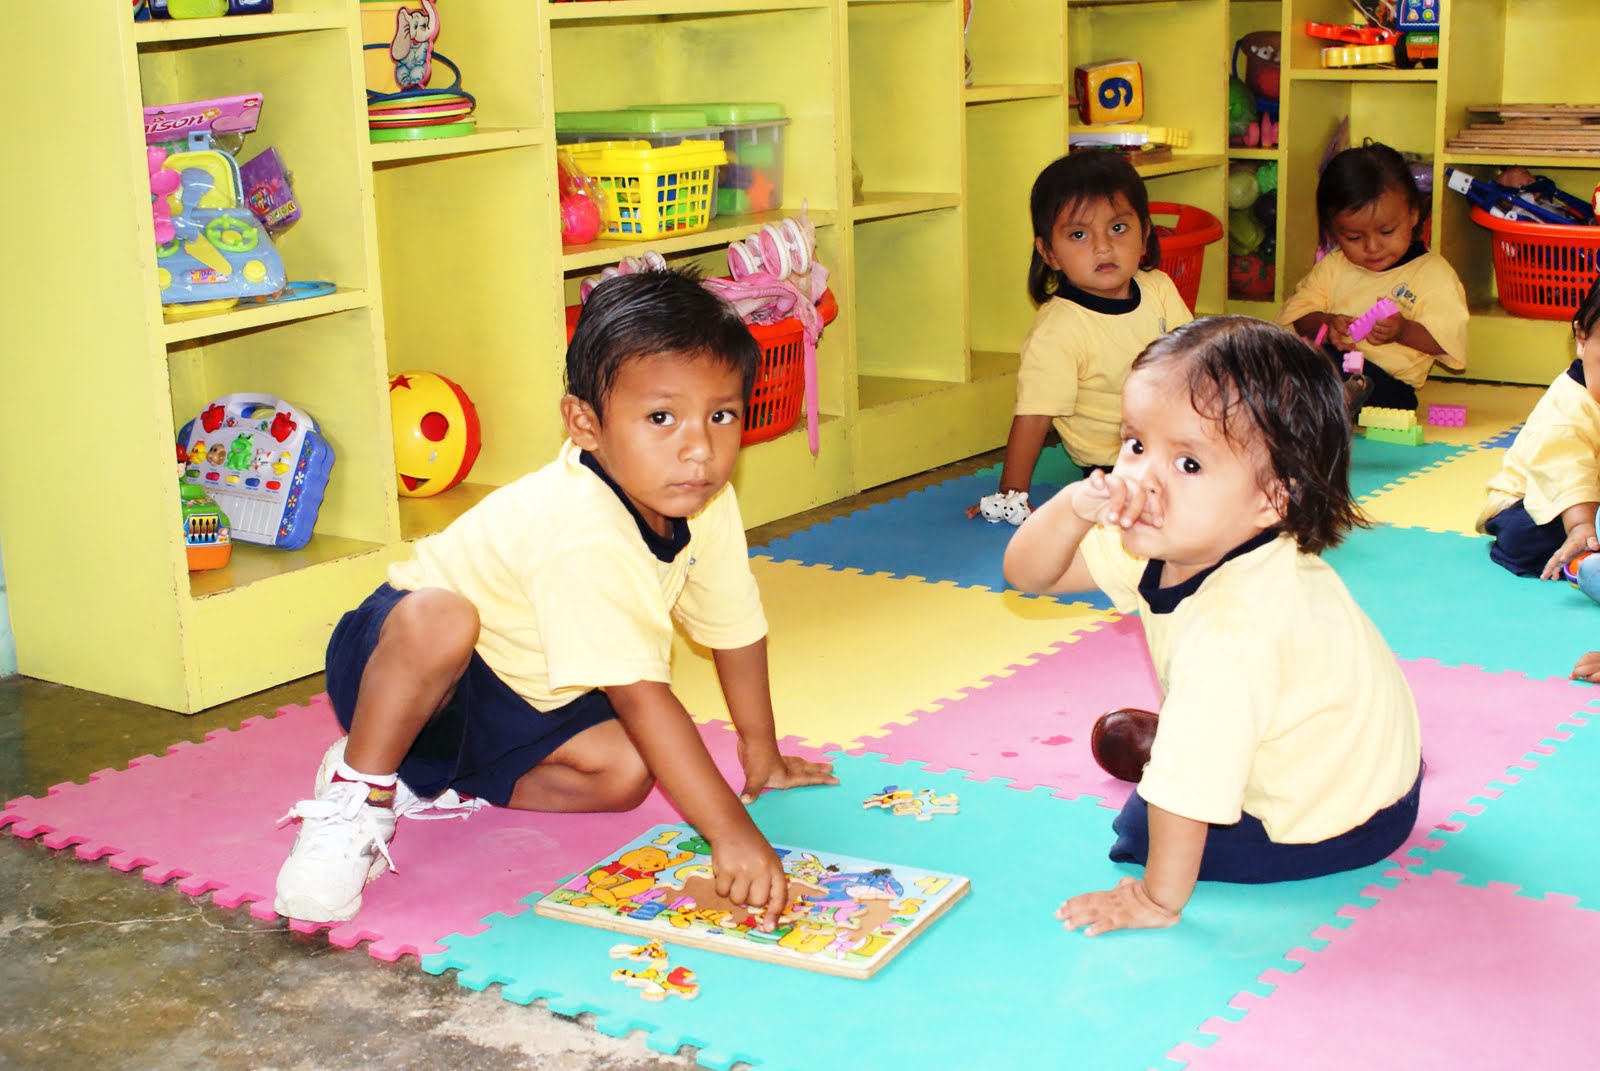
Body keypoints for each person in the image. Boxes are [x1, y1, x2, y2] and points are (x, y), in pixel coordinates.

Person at [273, 269, 837, 925]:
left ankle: (419, 779)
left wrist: (760, 755)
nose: (699, 448)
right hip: (404, 662)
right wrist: (731, 832)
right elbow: (641, 693)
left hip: (526, 697)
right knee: (441, 617)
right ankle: (359, 786)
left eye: (721, 415)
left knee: (628, 773)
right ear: (585, 423)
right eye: (661, 417)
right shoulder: (581, 527)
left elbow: (734, 625)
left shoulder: (703, 496)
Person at [1002, 317, 1421, 936]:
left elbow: (1185, 801)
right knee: (1195, 744)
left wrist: (1156, 898)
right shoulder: (1178, 535)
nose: (1143, 477)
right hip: (1362, 763)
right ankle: (1197, 739)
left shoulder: (1237, 627)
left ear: (1272, 497)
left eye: (1189, 463)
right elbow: (1029, 574)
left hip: (1332, 820)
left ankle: (1194, 746)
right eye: (1136, 445)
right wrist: (1070, 506)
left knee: (1145, 827)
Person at [968, 152, 1192, 524]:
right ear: (1049, 253)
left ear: (1145, 233)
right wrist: (1010, 496)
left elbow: (1194, 359)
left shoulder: (1159, 288)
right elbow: (1034, 417)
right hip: (1117, 463)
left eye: (1118, 229)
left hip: (1175, 437)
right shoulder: (1060, 329)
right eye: (1078, 235)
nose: (1102, 247)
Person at [1279, 141, 1468, 413]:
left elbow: (1446, 339)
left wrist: (1402, 330)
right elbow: (1298, 315)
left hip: (1388, 383)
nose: (1372, 247)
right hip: (1329, 362)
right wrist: (1326, 323)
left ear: (1414, 214)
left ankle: (1331, 400)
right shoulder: (1335, 265)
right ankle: (1311, 401)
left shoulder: (1432, 273)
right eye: (1354, 237)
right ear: (1334, 229)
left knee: (1345, 377)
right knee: (1288, 356)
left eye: (1387, 231)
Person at [1478, 276, 1600, 581]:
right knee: (1529, 539)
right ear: (1582, 339)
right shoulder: (1567, 411)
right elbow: (1566, 469)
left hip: (1591, 490)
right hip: (1535, 497)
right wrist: (1582, 529)